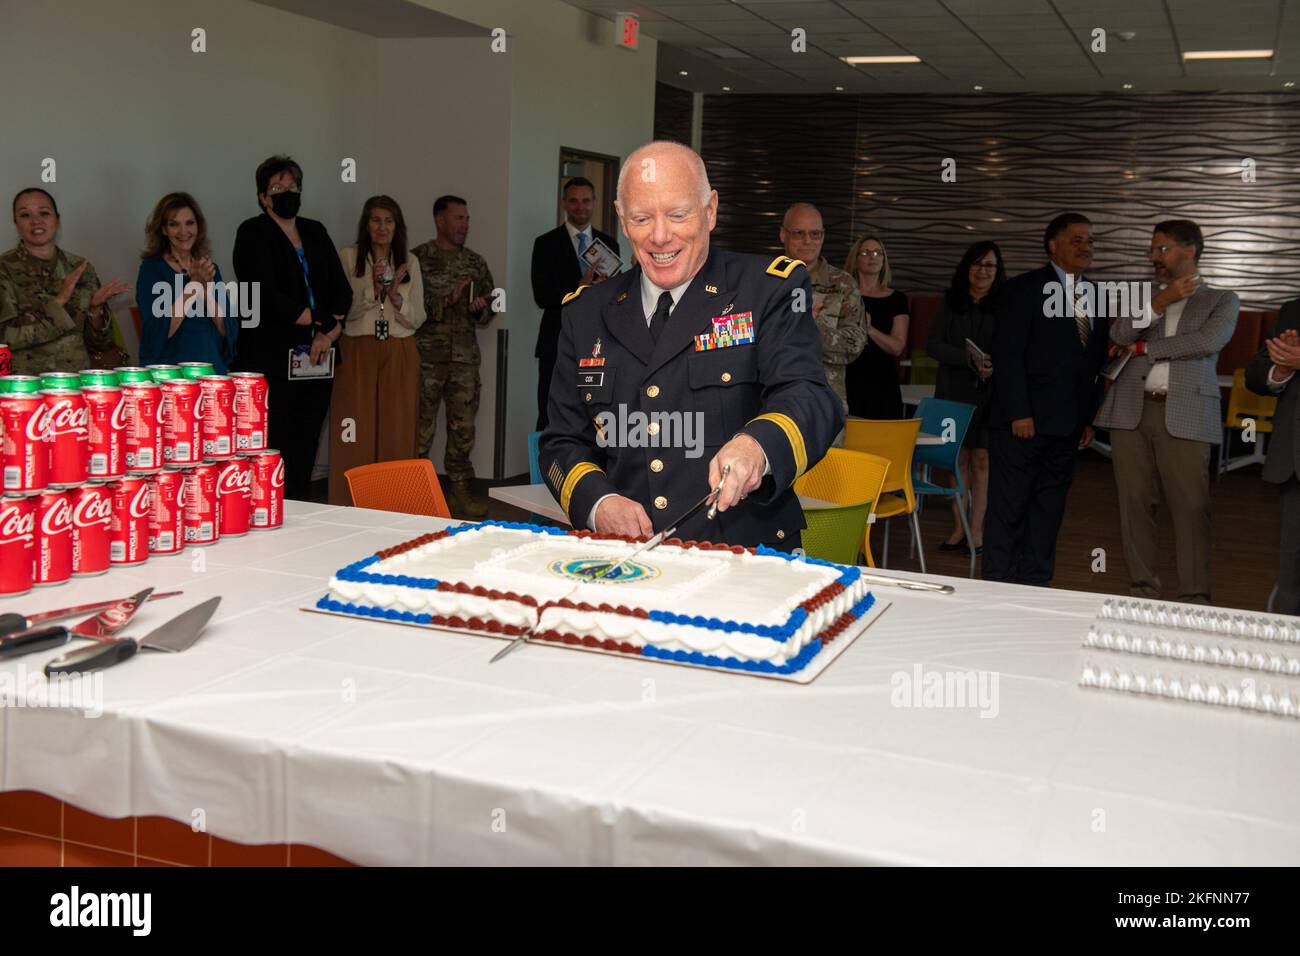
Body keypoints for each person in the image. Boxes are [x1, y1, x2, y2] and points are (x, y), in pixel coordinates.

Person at [539, 141, 842, 549]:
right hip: (627, 558)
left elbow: (809, 397)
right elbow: (562, 441)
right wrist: (599, 503)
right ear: (622, 221)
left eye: (678, 215)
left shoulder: (768, 289)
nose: (661, 236)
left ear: (710, 210)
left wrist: (757, 447)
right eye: (642, 218)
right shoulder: (585, 312)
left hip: (746, 554)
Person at [1095, 220, 1239, 604]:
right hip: (1131, 411)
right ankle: (1142, 589)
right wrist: (1160, 302)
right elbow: (1120, 334)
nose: (1154, 257)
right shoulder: (1143, 298)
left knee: (1191, 507)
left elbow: (1207, 342)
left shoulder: (1222, 299)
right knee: (1134, 504)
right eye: (1152, 250)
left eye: (1163, 249)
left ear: (1190, 250)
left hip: (1188, 411)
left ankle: (1194, 596)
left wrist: (1146, 350)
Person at [983, 213, 1109, 586]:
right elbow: (1008, 356)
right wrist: (1020, 412)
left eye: (1090, 241)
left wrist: (1089, 418)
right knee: (1009, 508)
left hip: (1068, 426)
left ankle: (1035, 585)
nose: (1086, 248)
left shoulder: (1096, 294)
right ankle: (995, 585)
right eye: (1077, 240)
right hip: (1022, 424)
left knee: (1048, 511)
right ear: (1053, 245)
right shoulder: (1022, 289)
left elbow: (1094, 363)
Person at [231, 155, 351, 502]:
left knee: (307, 437)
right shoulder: (252, 232)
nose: (287, 193)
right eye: (277, 188)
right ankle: (266, 507)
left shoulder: (315, 230)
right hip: (271, 352)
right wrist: (318, 319)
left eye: (292, 187)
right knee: (274, 438)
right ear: (263, 197)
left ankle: (299, 508)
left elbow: (342, 291)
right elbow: (263, 293)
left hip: (320, 351)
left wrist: (327, 333)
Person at [328, 196, 426, 505]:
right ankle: (349, 505)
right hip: (357, 349)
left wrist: (395, 297)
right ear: (365, 224)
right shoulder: (348, 257)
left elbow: (418, 318)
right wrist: (373, 290)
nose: (382, 227)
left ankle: (393, 505)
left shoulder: (409, 261)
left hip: (399, 350)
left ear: (397, 226)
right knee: (354, 432)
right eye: (375, 220)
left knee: (397, 432)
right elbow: (343, 312)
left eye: (388, 221)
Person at [412, 196, 497, 519]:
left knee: (463, 430)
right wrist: (447, 299)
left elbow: (489, 311)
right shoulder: (418, 259)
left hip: (464, 360)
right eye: (458, 218)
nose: (464, 225)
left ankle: (459, 494)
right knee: (419, 430)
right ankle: (415, 494)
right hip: (426, 359)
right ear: (440, 220)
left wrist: (481, 309)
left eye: (467, 219)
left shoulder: (475, 263)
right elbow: (410, 310)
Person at [927, 241, 1006, 554]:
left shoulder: (1006, 304)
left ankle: (977, 530)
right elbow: (932, 345)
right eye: (976, 264)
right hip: (953, 392)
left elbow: (1012, 346)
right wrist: (967, 358)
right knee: (956, 461)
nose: (982, 271)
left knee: (982, 461)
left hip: (990, 394)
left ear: (997, 271)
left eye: (989, 265)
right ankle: (958, 528)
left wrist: (993, 363)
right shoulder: (950, 302)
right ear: (966, 269)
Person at [0, 187, 130, 374]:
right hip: (26, 386)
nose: (36, 221)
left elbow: (101, 344)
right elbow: (6, 337)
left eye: (44, 213)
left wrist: (95, 310)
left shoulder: (79, 267)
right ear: (16, 223)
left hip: (76, 381)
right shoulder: (4, 269)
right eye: (25, 215)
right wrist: (58, 302)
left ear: (57, 219)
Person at [531, 176, 620, 430]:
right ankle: (547, 469)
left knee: (597, 414)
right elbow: (542, 295)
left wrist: (606, 289)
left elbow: (617, 297)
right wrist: (580, 288)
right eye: (573, 201)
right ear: (564, 204)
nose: (580, 207)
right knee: (550, 412)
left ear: (594, 203)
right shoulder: (546, 243)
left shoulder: (608, 243)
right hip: (556, 341)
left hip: (599, 343)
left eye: (585, 201)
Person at [779, 203, 865, 445]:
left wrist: (810, 327)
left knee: (824, 482)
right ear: (783, 234)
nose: (808, 241)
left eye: (815, 234)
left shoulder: (843, 285)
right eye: (799, 233)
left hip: (825, 407)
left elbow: (855, 344)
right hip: (771, 406)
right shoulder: (764, 280)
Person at [136, 191, 239, 372]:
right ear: (163, 230)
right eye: (174, 224)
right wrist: (193, 286)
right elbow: (159, 331)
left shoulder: (209, 268)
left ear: (198, 227)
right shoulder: (151, 269)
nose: (184, 231)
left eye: (190, 223)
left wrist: (205, 288)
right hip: (169, 373)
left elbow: (227, 331)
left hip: (211, 370)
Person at [1245, 298, 1300, 613]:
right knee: (1291, 573)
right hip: (1294, 460)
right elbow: (1256, 374)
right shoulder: (1293, 310)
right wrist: (1280, 369)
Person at [843, 235, 908, 419]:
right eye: (865, 252)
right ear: (855, 260)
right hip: (850, 379)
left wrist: (869, 329)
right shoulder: (844, 296)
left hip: (883, 382)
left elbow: (897, 347)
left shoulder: (897, 299)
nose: (873, 257)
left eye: (878, 253)